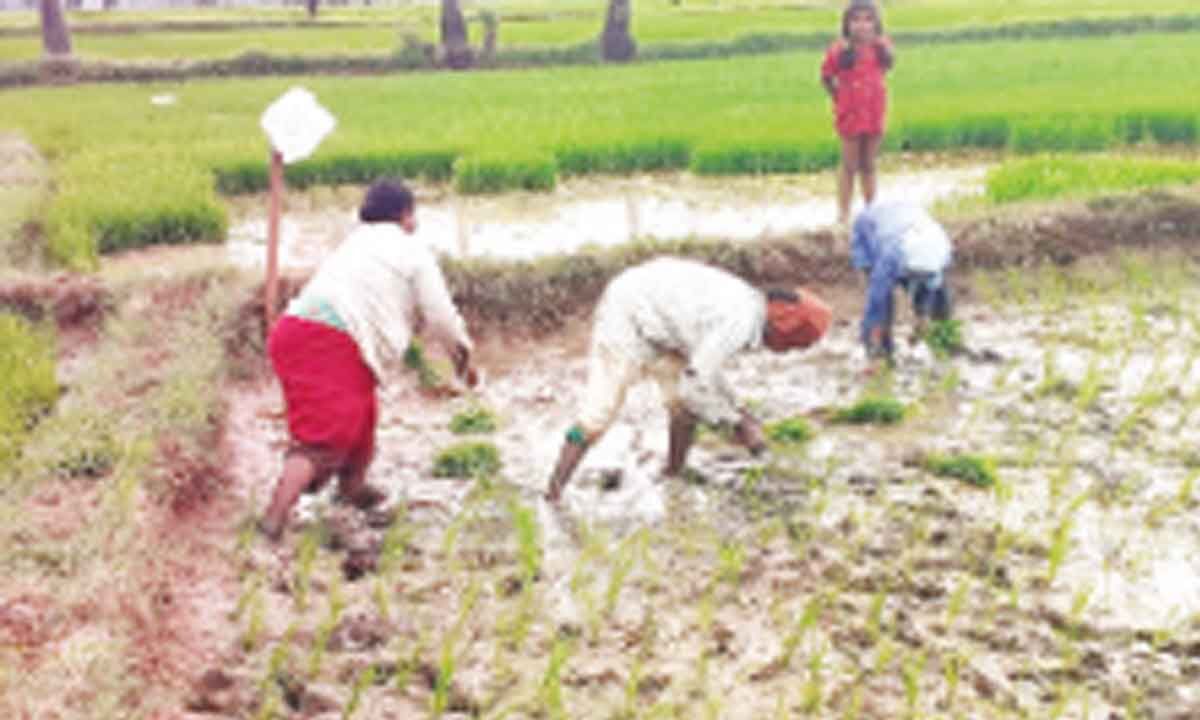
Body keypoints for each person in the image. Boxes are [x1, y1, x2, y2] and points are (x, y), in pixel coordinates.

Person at [260, 179, 478, 540]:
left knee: (361, 415)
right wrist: (464, 362)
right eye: (413, 214)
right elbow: (442, 317)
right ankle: (272, 521)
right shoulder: (412, 252)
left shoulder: (357, 241)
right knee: (321, 441)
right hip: (330, 341)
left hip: (299, 331)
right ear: (406, 215)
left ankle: (352, 489)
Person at [544, 257, 832, 503]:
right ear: (785, 329)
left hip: (660, 314)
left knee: (681, 408)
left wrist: (738, 411)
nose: (787, 353)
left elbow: (705, 372)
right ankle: (553, 495)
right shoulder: (738, 322)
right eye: (794, 345)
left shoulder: (747, 307)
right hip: (629, 311)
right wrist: (733, 422)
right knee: (599, 412)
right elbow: (695, 386)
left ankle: (672, 475)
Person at [851, 200, 952, 369]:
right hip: (870, 225)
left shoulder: (942, 251)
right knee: (883, 300)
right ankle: (882, 347)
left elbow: (934, 288)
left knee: (937, 298)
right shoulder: (890, 257)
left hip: (910, 218)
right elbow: (876, 301)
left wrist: (923, 319)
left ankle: (942, 342)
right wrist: (873, 345)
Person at [821, 0, 894, 227]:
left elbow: (888, 66)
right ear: (847, 24)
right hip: (850, 111)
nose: (862, 26)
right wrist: (839, 98)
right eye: (856, 20)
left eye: (867, 20)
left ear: (876, 23)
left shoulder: (881, 48)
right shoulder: (840, 51)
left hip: (874, 109)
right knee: (849, 164)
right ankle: (843, 214)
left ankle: (872, 210)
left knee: (869, 163)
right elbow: (826, 77)